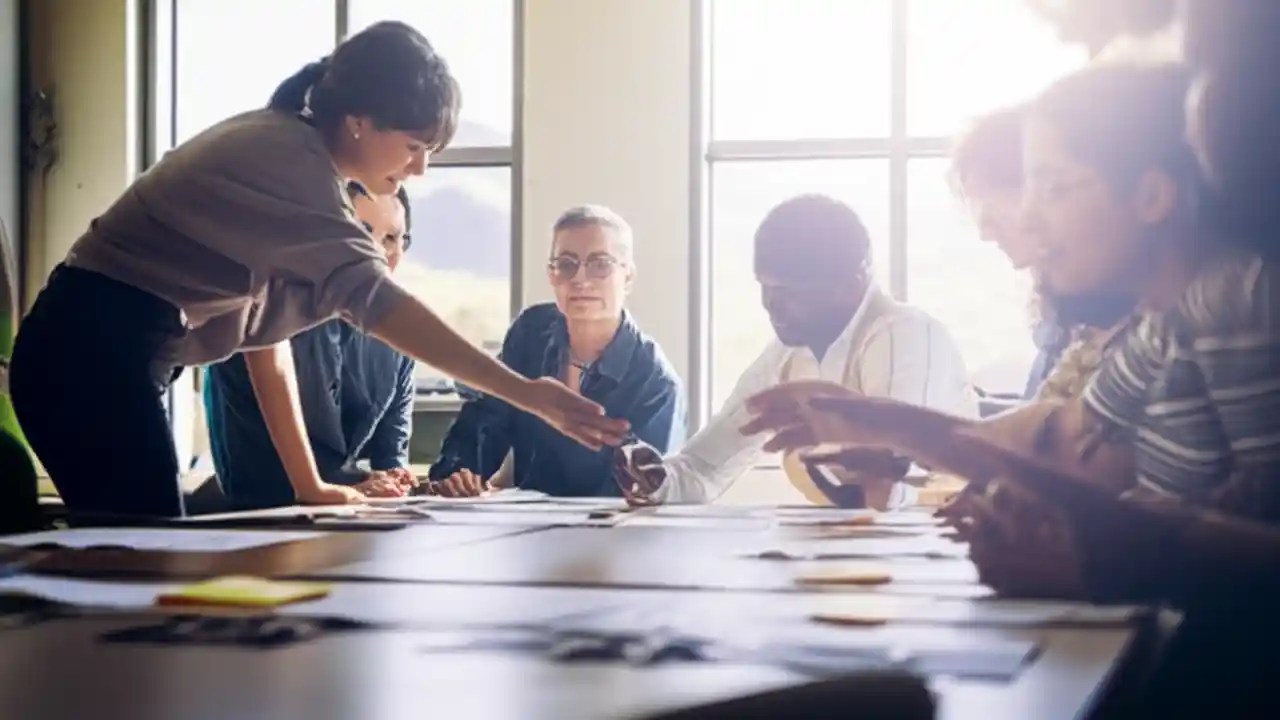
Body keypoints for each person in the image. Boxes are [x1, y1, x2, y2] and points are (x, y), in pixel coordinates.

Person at [7, 22, 628, 521]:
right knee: (141, 564)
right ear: (360, 120)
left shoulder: (296, 160)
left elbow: (265, 337)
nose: (419, 171)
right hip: (84, 354)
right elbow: (378, 302)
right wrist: (529, 394)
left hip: (112, 359)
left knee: (144, 560)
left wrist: (310, 485)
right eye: (414, 146)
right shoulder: (289, 162)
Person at [616, 194, 975, 508]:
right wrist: (655, 479)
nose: (772, 305)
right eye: (765, 286)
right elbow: (704, 468)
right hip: (859, 556)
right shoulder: (787, 353)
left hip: (949, 556)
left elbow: (894, 485)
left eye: (791, 291)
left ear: (854, 281)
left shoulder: (904, 333)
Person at [427, 206, 684, 498]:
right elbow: (488, 417)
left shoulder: (656, 384)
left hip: (606, 537)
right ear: (551, 274)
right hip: (521, 526)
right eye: (566, 264)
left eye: (600, 264)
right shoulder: (531, 331)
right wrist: (458, 475)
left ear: (628, 277)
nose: (580, 279)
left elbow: (642, 496)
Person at [204, 182, 418, 510]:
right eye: (361, 232)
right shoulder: (263, 311)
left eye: (392, 238)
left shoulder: (398, 340)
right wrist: (357, 484)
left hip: (347, 517)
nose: (376, 250)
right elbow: (256, 460)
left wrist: (397, 479)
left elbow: (390, 458)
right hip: (257, 513)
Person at [949, 106, 1135, 400]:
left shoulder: (1119, 318)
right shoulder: (1060, 311)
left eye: (983, 195)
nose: (984, 230)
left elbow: (1051, 437)